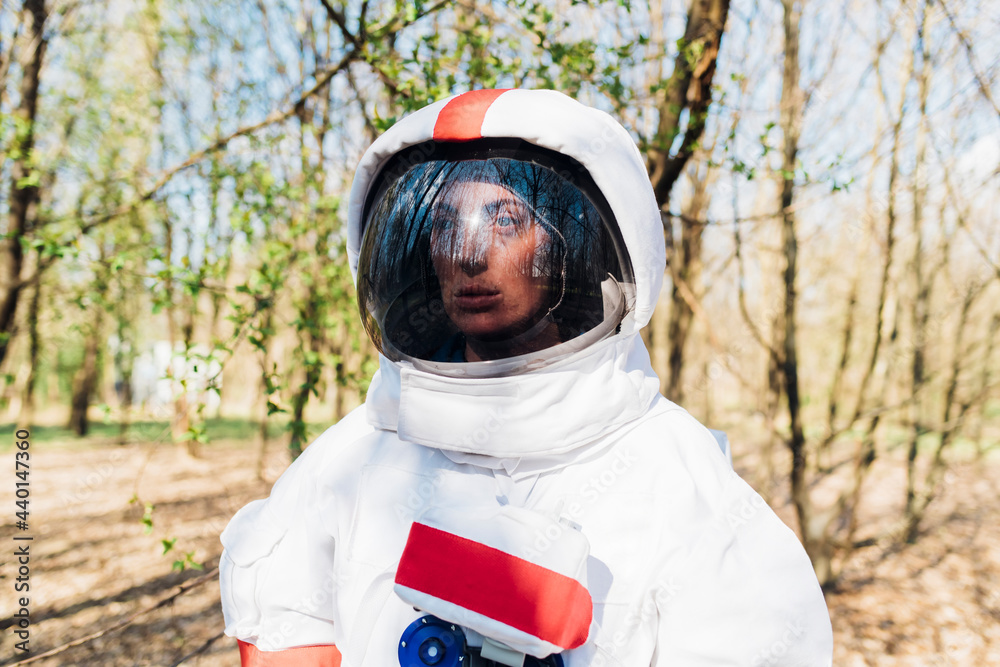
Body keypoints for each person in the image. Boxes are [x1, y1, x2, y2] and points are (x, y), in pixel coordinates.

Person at [220, 88, 834, 667]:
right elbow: (286, 625)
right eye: (446, 225)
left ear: (568, 244)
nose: (468, 254)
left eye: (506, 221)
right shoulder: (353, 461)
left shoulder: (675, 480)